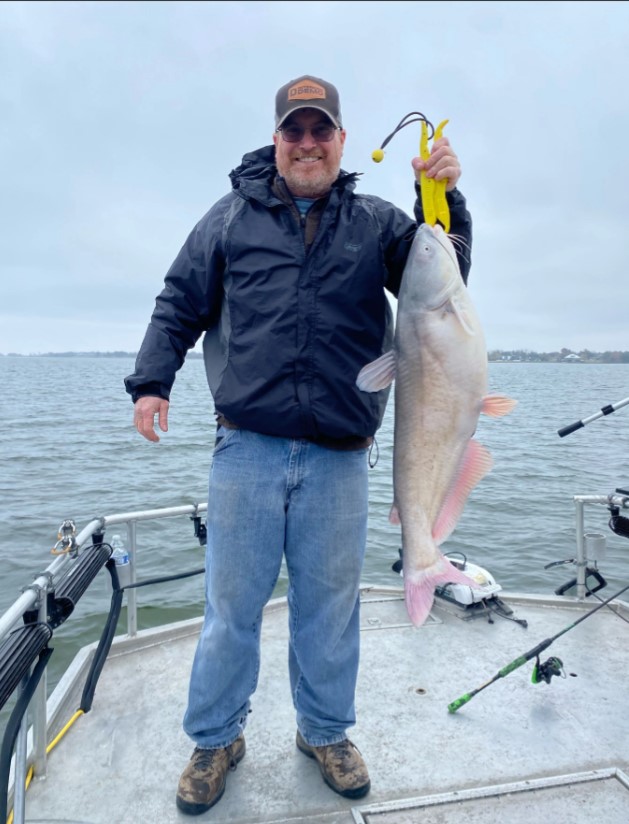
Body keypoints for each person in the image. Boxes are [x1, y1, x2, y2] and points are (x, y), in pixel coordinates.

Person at [125, 74, 472, 816]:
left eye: (321, 130)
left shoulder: (377, 222)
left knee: (329, 608)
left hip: (340, 456)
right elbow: (180, 298)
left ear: (342, 140)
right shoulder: (227, 219)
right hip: (245, 449)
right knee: (231, 608)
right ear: (276, 139)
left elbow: (444, 278)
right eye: (295, 130)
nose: (307, 143)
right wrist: (151, 380)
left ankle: (324, 732)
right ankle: (216, 737)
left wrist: (444, 195)